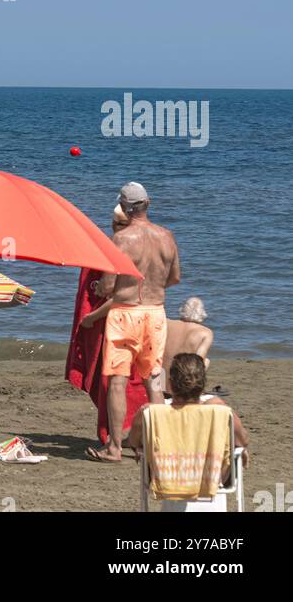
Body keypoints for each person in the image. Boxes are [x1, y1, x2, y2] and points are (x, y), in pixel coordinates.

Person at [86, 181, 181, 463]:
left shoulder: (121, 239)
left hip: (126, 312)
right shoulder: (167, 237)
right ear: (148, 204)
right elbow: (174, 278)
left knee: (117, 382)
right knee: (154, 381)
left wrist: (98, 290)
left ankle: (115, 448)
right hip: (155, 313)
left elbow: (107, 286)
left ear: (126, 208)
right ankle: (157, 447)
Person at [65, 206, 147, 445]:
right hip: (129, 321)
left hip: (120, 323)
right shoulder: (123, 247)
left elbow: (120, 295)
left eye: (120, 225)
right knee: (115, 380)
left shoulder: (127, 249)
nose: (115, 229)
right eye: (114, 223)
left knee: (115, 381)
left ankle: (118, 433)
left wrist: (91, 317)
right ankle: (120, 432)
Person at [127, 352, 248, 465]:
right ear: (203, 384)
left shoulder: (150, 412)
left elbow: (133, 442)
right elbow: (242, 441)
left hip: (165, 481)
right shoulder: (221, 410)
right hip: (211, 480)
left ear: (170, 384)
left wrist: (140, 447)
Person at [163, 297, 214, 383]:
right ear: (202, 313)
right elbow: (199, 363)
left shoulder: (167, 323)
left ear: (182, 309)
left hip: (160, 381)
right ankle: (192, 389)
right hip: (181, 385)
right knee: (206, 361)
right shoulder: (206, 333)